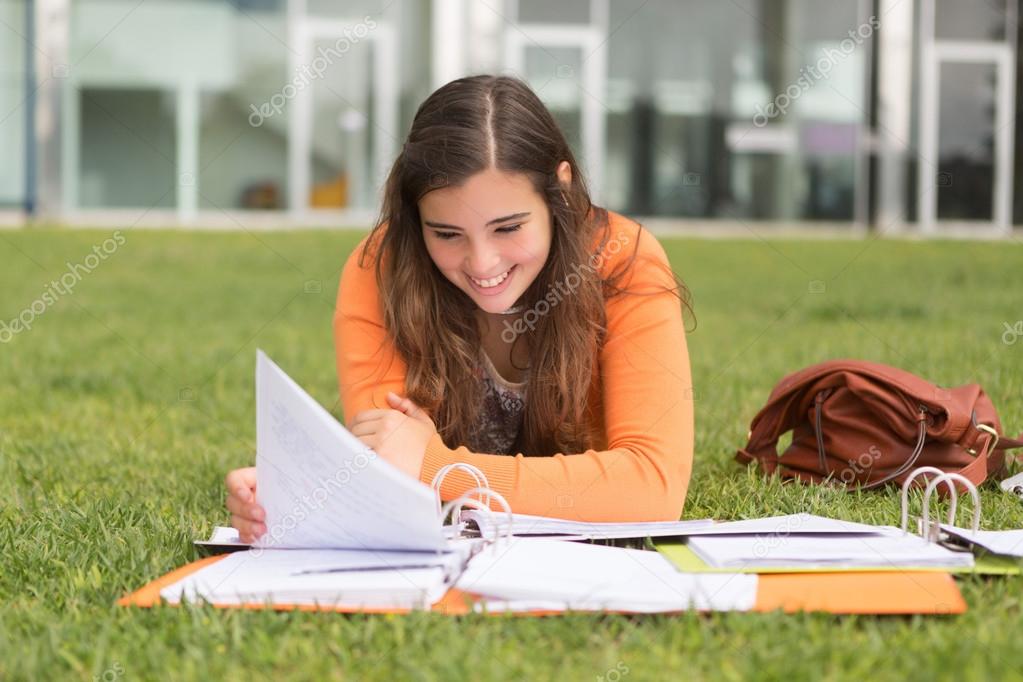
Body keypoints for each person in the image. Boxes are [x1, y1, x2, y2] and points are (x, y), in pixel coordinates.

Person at [226, 75, 694, 542]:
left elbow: (652, 488)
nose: (482, 263)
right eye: (447, 234)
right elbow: (386, 474)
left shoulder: (623, 261)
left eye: (508, 228)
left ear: (561, 189)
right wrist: (297, 489)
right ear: (416, 217)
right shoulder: (381, 269)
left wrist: (435, 467)